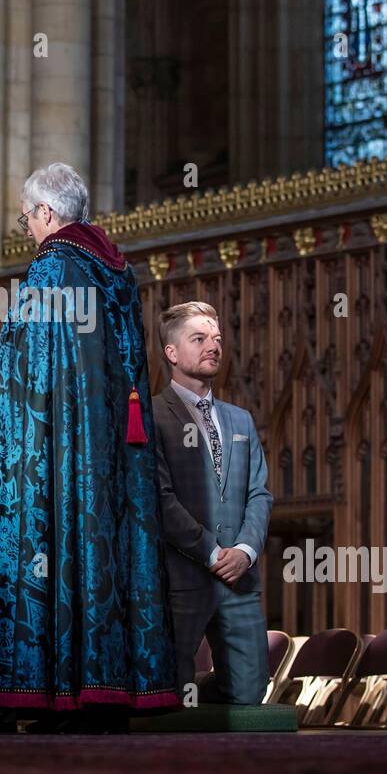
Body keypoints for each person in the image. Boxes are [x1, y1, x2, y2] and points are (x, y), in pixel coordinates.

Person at [0, 162, 179, 732]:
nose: (27, 227)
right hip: (108, 457)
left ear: (47, 213)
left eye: (28, 217)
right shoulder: (114, 272)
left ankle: (54, 691)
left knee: (51, 546)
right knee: (102, 554)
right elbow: (75, 358)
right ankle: (105, 691)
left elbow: (31, 374)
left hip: (61, 456)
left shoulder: (51, 267)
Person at [152, 301, 273, 704]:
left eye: (217, 339)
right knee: (173, 699)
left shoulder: (241, 420)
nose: (213, 346)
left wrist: (245, 550)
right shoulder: (152, 416)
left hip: (239, 580)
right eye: (199, 338)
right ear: (172, 352)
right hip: (181, 580)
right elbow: (159, 498)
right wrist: (210, 550)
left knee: (250, 695)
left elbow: (259, 493)